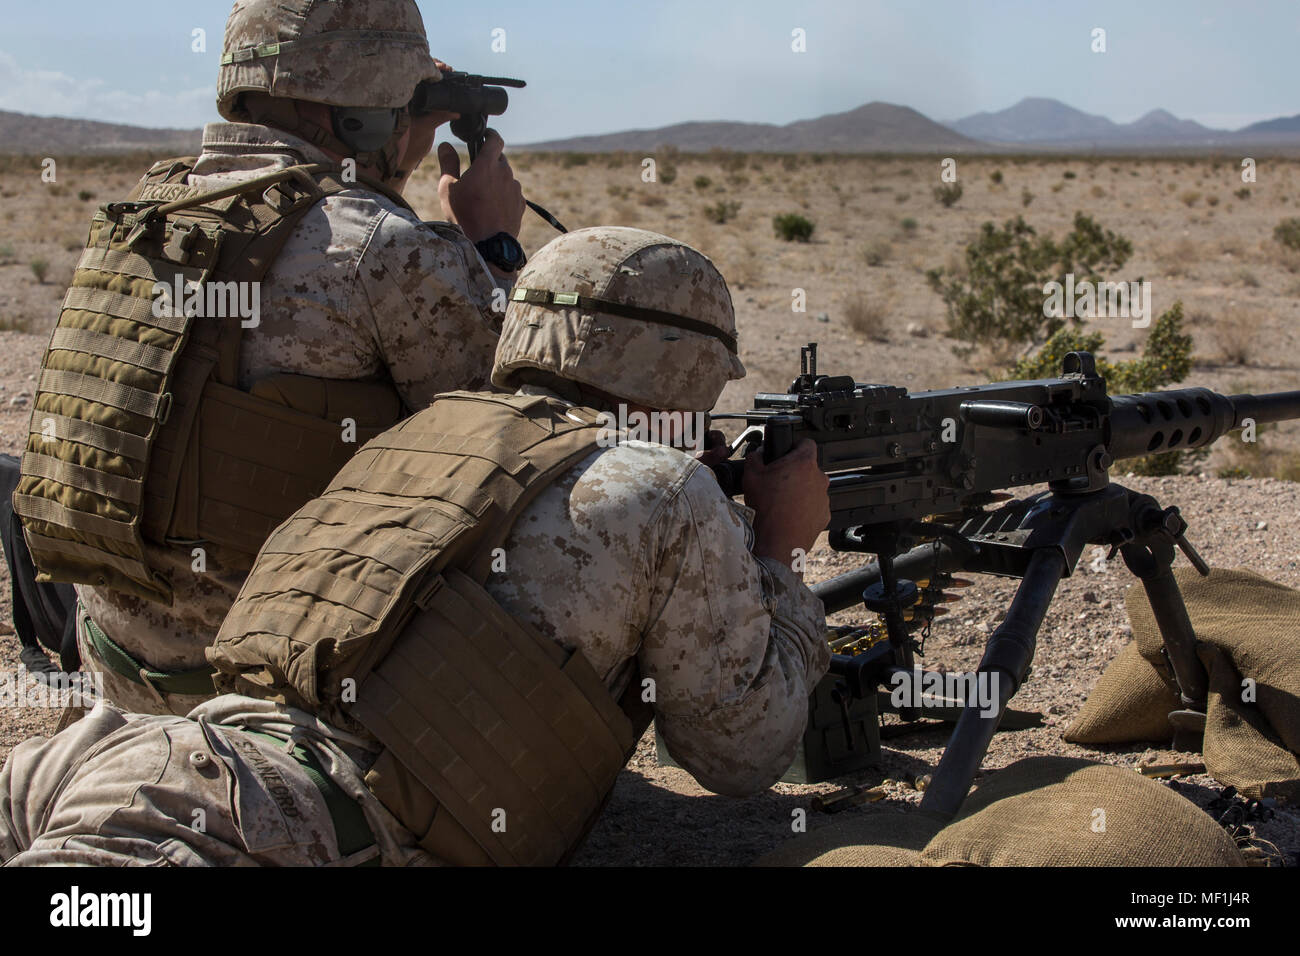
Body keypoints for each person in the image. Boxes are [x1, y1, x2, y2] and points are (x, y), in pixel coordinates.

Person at [0, 227, 831, 867]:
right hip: (277, 826)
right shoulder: (660, 486)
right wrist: (782, 556)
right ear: (684, 372)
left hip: (124, 757)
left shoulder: (422, 434)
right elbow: (740, 749)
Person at [11, 0, 526, 716]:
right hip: (270, 700)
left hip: (121, 672)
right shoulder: (380, 248)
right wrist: (493, 246)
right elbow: (516, 420)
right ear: (359, 116)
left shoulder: (146, 211)